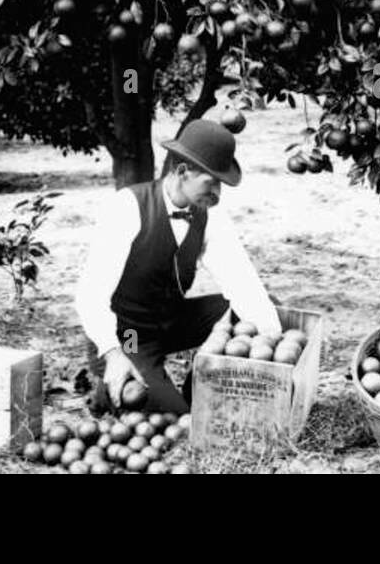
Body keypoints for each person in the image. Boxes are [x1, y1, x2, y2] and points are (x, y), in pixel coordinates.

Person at [75, 119, 281, 414]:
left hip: (171, 320)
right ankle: (110, 383)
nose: (217, 193)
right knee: (174, 419)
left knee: (262, 310)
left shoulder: (210, 215)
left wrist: (274, 339)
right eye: (211, 181)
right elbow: (89, 297)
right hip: (129, 337)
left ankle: (197, 387)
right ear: (183, 172)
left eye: (221, 184)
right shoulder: (126, 208)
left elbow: (242, 282)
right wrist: (113, 353)